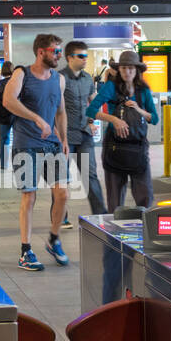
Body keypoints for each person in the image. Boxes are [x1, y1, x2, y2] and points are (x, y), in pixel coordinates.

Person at [4, 34, 70, 271]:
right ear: (41, 52)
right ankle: (26, 250)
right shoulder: (22, 74)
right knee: (29, 196)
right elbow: (8, 101)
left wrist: (64, 139)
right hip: (25, 144)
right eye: (55, 51)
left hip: (52, 144)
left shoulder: (59, 79)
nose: (59, 55)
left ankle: (53, 239)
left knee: (62, 194)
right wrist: (37, 119)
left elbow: (61, 111)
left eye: (60, 51)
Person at [88, 50, 158, 212]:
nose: (127, 72)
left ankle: (143, 230)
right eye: (124, 68)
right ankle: (114, 233)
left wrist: (138, 109)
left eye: (131, 68)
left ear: (137, 70)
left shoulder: (143, 91)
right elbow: (91, 110)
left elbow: (154, 118)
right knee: (115, 200)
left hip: (138, 148)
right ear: (119, 69)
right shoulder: (111, 87)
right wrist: (113, 119)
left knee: (145, 195)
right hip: (115, 147)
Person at [60, 39, 107, 223]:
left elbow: (92, 101)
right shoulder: (60, 78)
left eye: (86, 56)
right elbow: (56, 108)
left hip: (84, 134)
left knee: (90, 175)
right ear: (69, 58)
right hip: (64, 136)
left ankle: (100, 213)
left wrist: (94, 119)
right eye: (81, 56)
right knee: (62, 178)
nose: (85, 59)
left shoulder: (88, 78)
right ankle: (60, 217)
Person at [0, 61, 15, 169]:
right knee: (18, 138)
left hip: (3, 114)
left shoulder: (0, 83)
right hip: (17, 113)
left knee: (4, 139)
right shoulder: (16, 81)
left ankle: (4, 164)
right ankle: (18, 163)